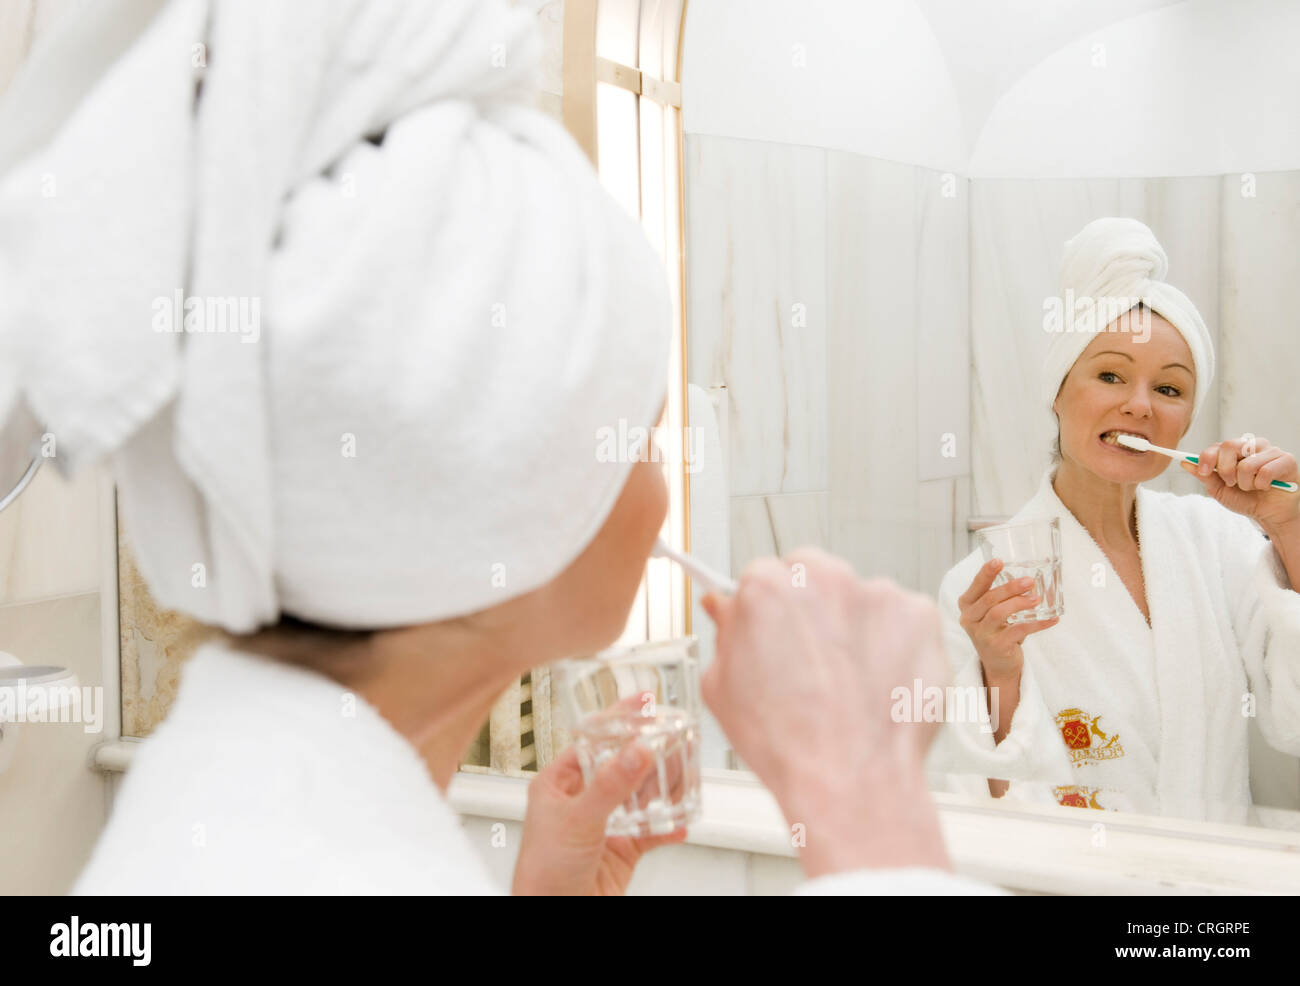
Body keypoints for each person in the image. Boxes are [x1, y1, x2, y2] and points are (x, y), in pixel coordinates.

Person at [0, 0, 995, 894]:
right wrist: (867, 808)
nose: (661, 489)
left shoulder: (237, 812)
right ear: (510, 495)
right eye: (644, 435)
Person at [930, 217, 1300, 823]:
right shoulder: (984, 589)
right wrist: (999, 671)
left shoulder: (1220, 541)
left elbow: (1293, 722)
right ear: (1058, 389)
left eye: (1170, 389)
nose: (1139, 405)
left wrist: (1290, 527)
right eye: (1109, 375)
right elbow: (981, 811)